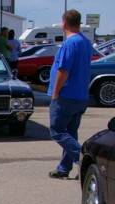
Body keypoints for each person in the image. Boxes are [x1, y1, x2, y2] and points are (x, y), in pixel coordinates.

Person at [47, 9, 94, 180]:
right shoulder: (86, 43)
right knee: (70, 132)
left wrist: (56, 92)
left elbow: (63, 70)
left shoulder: (70, 44)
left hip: (66, 96)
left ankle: (82, 159)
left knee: (57, 130)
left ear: (64, 23)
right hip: (80, 95)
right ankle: (63, 168)